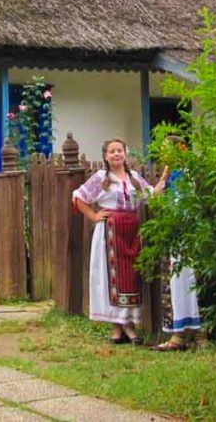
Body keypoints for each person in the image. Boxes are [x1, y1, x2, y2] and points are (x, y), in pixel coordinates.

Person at [72, 138, 168, 345]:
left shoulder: (134, 178)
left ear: (126, 153)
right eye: (112, 151)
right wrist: (94, 216)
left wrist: (165, 177)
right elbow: (79, 198)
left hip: (131, 232)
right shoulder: (101, 178)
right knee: (111, 278)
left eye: (119, 150)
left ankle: (130, 326)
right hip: (110, 232)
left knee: (131, 277)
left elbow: (150, 195)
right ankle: (116, 328)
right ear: (106, 156)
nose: (116, 154)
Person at [155, 135, 202, 351]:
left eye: (168, 149)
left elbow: (182, 206)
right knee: (177, 281)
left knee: (183, 280)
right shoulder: (173, 174)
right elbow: (156, 196)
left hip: (183, 234)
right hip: (176, 234)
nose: (164, 154)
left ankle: (183, 334)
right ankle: (182, 333)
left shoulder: (184, 175)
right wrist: (165, 172)